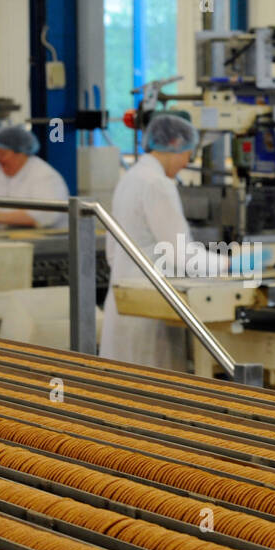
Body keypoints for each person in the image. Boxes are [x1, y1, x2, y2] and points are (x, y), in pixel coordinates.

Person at [100, 114, 209, 370]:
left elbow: (113, 253)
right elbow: (183, 255)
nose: (186, 163)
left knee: (122, 396)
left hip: (124, 297)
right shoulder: (158, 184)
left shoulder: (131, 177)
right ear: (174, 144)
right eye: (187, 154)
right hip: (150, 308)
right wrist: (231, 264)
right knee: (155, 396)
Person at [0, 124, 69, 231]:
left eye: (2, 154)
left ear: (20, 152)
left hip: (44, 245)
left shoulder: (44, 176)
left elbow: (47, 214)